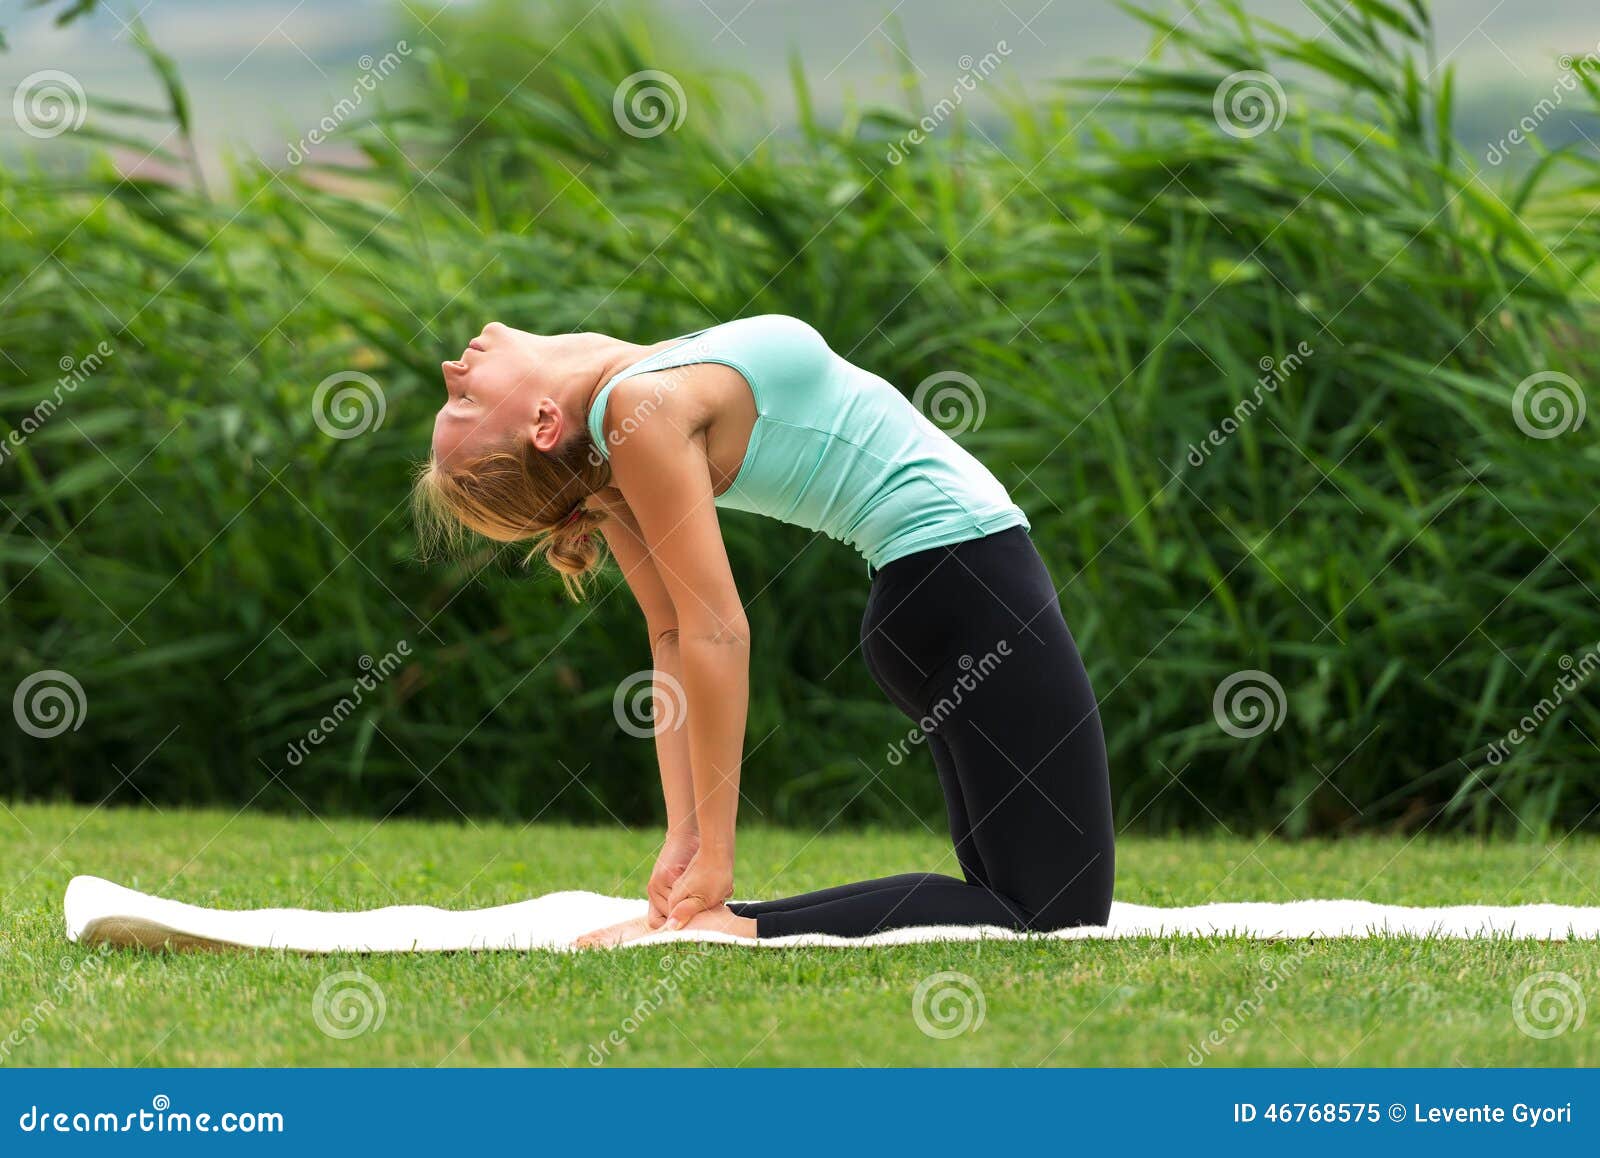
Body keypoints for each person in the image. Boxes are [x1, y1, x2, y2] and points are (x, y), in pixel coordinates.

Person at [414, 315, 1114, 944]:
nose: (452, 371)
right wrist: (704, 851)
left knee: (1025, 895)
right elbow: (703, 632)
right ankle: (736, 924)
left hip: (945, 595)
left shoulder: (613, 416)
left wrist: (688, 840)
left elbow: (672, 636)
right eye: (465, 403)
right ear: (542, 423)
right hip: (969, 590)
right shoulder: (634, 411)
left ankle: (728, 923)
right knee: (1052, 912)